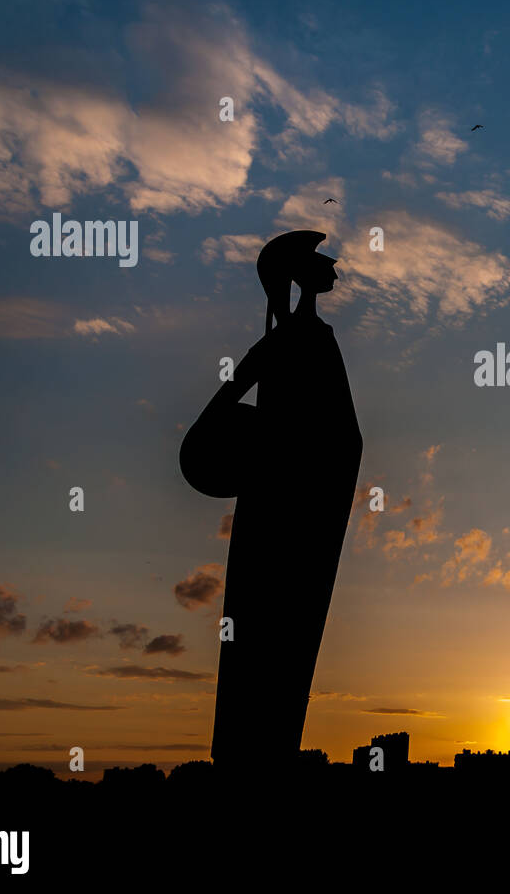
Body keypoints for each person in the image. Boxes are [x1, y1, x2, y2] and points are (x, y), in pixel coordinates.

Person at [180, 229, 363, 768]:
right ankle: (245, 756)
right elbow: (211, 424)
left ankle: (267, 750)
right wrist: (262, 447)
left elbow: (344, 436)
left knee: (290, 640)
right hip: (274, 512)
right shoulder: (285, 344)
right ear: (300, 274)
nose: (333, 263)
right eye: (319, 257)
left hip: (306, 510)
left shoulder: (317, 338)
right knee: (261, 637)